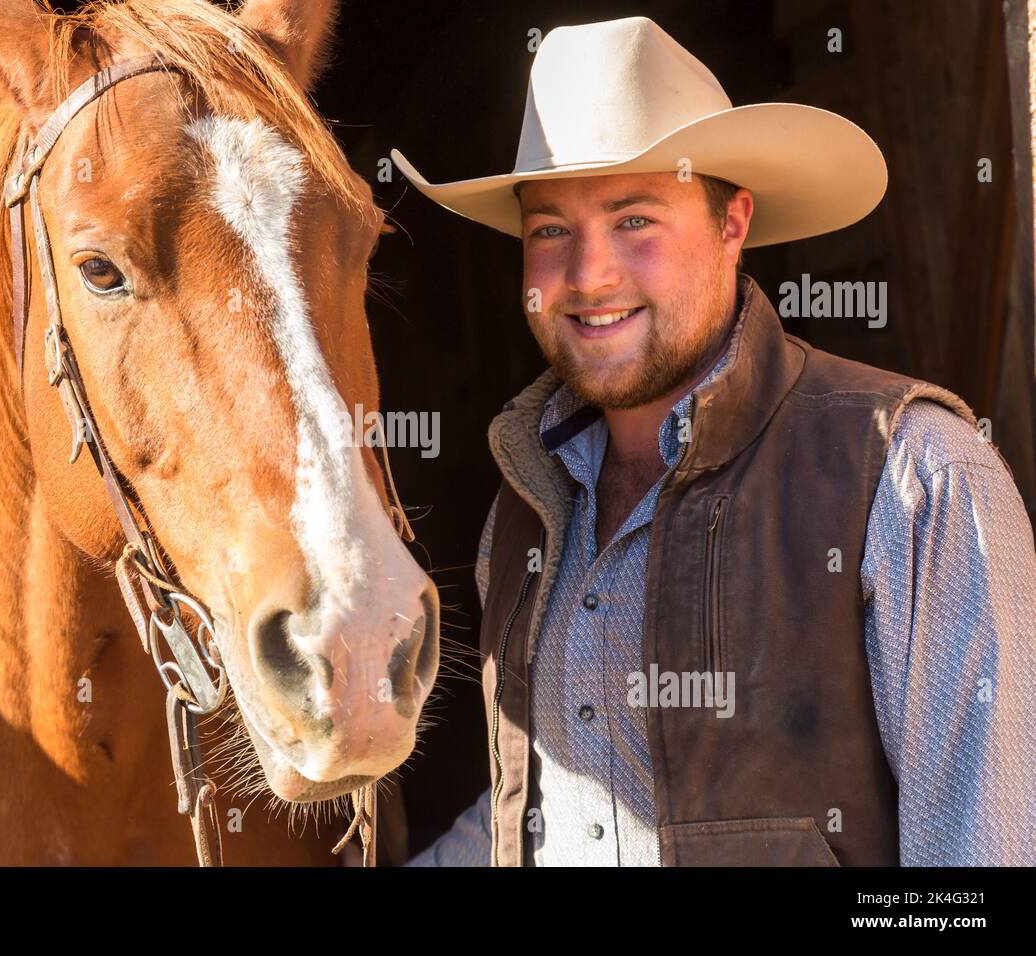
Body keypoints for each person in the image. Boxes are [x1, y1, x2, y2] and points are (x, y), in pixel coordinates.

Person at [392, 17, 1036, 866]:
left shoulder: (916, 477)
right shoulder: (524, 510)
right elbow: (554, 807)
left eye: (634, 220)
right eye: (550, 229)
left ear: (733, 223)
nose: (588, 275)